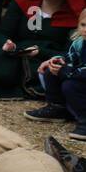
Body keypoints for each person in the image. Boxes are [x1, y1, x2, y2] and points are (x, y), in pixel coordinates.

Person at [27, 7, 86, 135]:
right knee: (51, 71)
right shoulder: (79, 42)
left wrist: (68, 71)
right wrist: (56, 61)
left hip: (81, 78)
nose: (85, 29)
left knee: (70, 85)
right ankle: (57, 108)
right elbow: (70, 57)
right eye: (83, 25)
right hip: (78, 74)